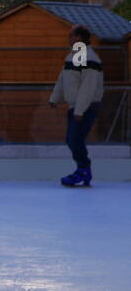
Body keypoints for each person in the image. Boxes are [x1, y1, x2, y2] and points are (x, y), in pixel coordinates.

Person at [50, 25, 103, 187]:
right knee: (72, 139)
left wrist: (80, 110)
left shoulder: (90, 58)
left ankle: (83, 170)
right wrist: (55, 98)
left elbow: (88, 87)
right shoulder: (72, 57)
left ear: (79, 38)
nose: (69, 39)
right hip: (75, 106)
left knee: (74, 139)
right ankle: (83, 170)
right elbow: (63, 79)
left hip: (87, 106)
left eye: (71, 36)